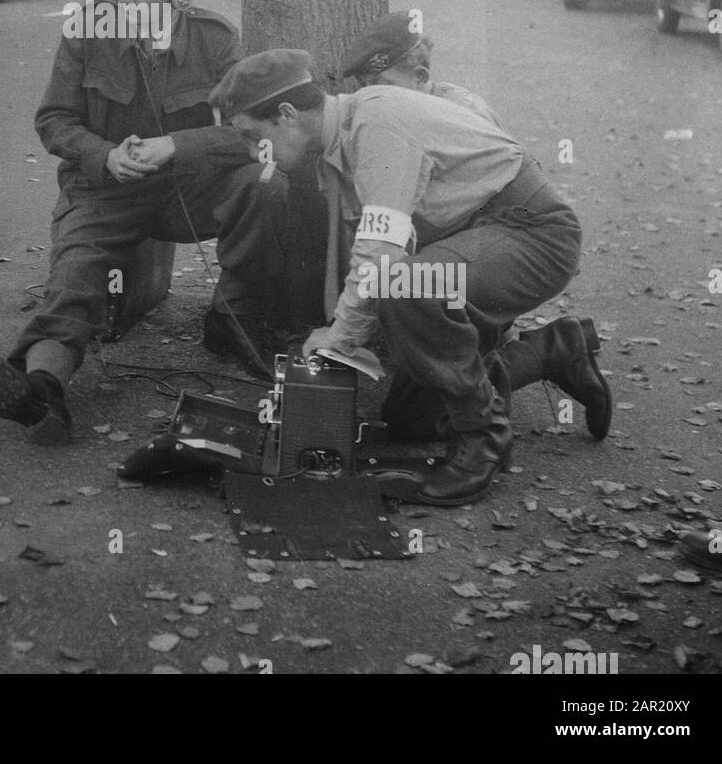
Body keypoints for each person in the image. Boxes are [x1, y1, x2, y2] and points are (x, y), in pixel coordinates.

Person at [210, 49, 611, 507]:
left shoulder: (376, 124)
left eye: (251, 136)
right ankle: (557, 350)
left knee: (404, 286)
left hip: (532, 233)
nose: (251, 153)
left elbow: (380, 256)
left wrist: (340, 338)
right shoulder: (337, 141)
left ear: (285, 115)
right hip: (476, 240)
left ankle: (486, 440)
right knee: (413, 420)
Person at [0, 0, 292, 445]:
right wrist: (104, 156)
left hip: (188, 189)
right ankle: (43, 388)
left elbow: (252, 131)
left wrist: (178, 146)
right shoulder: (87, 28)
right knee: (74, 275)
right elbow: (54, 119)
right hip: (105, 190)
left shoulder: (215, 39)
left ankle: (234, 317)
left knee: (266, 182)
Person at [340, 9, 502, 127]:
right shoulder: (402, 112)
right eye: (364, 86)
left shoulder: (462, 114)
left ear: (419, 77)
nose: (371, 95)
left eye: (383, 85)